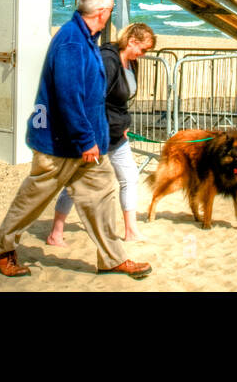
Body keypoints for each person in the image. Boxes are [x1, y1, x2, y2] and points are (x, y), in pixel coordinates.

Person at [0, 0, 151, 279]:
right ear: (102, 12)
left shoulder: (85, 38)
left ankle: (113, 259)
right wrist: (86, 139)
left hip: (86, 146)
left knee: (102, 196)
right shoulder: (72, 42)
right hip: (61, 144)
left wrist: (95, 139)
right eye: (110, 9)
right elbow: (68, 96)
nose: (110, 13)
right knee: (34, 199)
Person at [48, 22, 156, 246]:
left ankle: (131, 230)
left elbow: (122, 99)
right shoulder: (107, 60)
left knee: (129, 178)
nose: (143, 55)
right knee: (76, 184)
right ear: (132, 42)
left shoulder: (131, 64)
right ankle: (56, 233)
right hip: (96, 135)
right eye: (143, 49)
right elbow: (91, 99)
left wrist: (124, 124)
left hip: (117, 134)